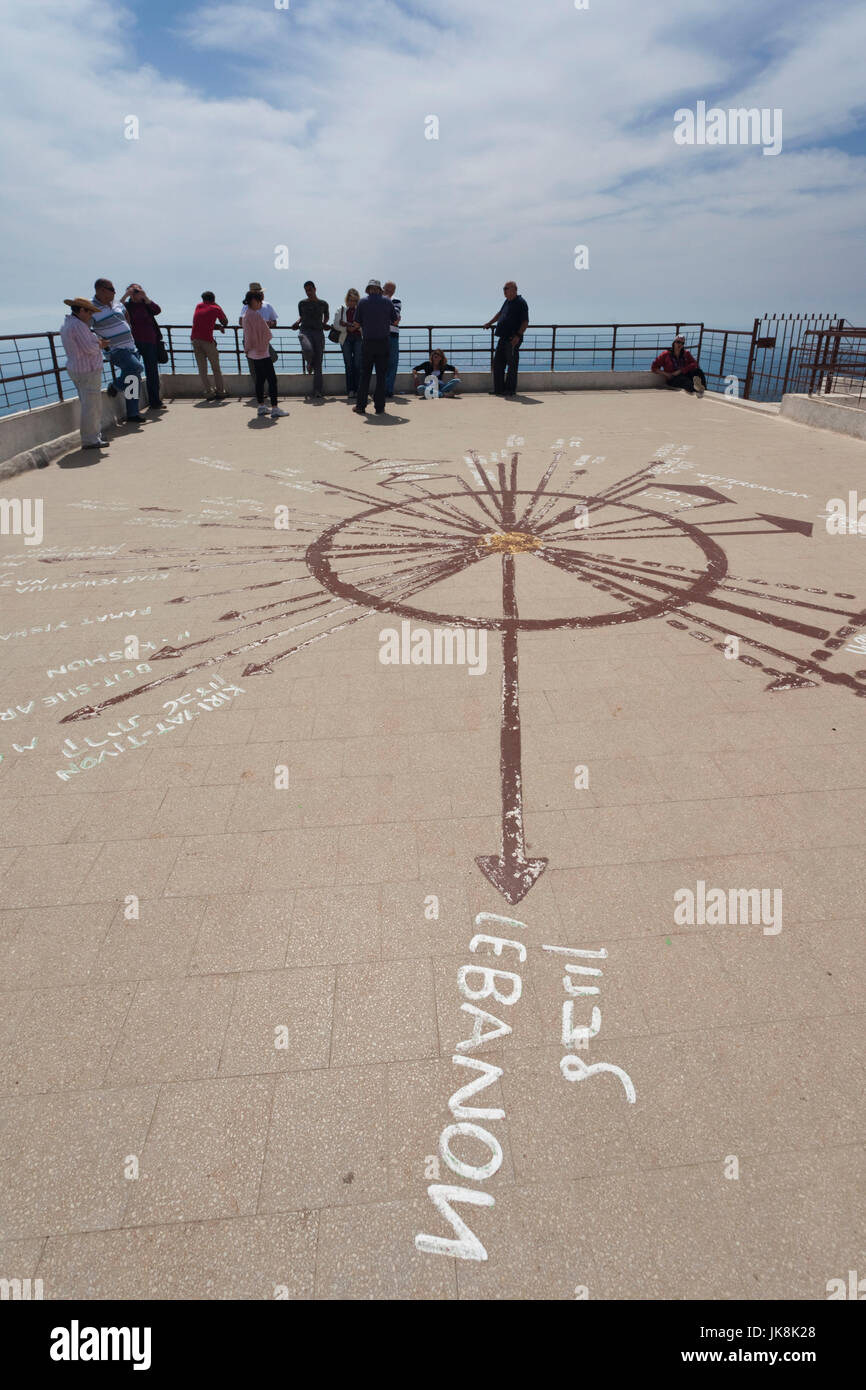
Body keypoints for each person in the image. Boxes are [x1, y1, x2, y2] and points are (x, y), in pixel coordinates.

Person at [91, 278, 145, 423]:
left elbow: (125, 315)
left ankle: (133, 413)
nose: (115, 292)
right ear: (101, 290)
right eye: (112, 289)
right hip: (116, 349)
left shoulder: (117, 304)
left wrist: (128, 328)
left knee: (133, 379)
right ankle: (116, 385)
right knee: (136, 367)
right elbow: (86, 328)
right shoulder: (91, 308)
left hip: (131, 346)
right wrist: (98, 341)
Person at [60, 297, 109, 450]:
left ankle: (94, 435)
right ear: (81, 310)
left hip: (78, 369)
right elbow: (89, 348)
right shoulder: (79, 326)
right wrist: (100, 344)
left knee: (89, 404)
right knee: (92, 406)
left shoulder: (68, 324)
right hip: (87, 370)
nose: (91, 315)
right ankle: (90, 439)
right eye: (89, 312)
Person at [354, 279, 398, 415]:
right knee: (381, 376)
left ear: (368, 289)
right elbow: (395, 321)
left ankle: (361, 406)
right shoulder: (387, 302)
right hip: (383, 343)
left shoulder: (362, 302)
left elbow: (356, 323)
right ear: (380, 289)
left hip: (367, 343)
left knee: (365, 375)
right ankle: (379, 407)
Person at [242, 290, 286, 419]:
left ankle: (261, 406)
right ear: (254, 301)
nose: (261, 304)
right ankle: (275, 408)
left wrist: (247, 349)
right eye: (260, 301)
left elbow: (248, 336)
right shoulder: (255, 315)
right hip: (262, 352)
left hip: (253, 353)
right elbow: (267, 334)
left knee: (260, 380)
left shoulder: (246, 315)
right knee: (272, 380)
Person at [122, 283, 166, 410]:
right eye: (133, 291)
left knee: (152, 372)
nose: (136, 293)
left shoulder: (146, 305)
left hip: (150, 342)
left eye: (138, 290)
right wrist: (126, 295)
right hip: (132, 343)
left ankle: (155, 401)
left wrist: (145, 297)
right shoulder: (127, 305)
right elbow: (116, 310)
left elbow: (157, 310)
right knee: (132, 373)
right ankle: (132, 408)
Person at [483, 281, 529, 397]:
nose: (504, 291)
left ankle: (510, 390)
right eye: (504, 288)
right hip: (503, 338)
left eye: (506, 288)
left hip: (512, 338)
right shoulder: (507, 302)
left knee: (512, 365)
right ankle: (499, 389)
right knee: (498, 363)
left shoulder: (521, 303)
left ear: (514, 289)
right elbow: (500, 314)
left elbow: (525, 321)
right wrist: (489, 323)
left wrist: (518, 336)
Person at [292, 281, 329, 398]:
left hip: (318, 332)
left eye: (310, 290)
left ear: (315, 289)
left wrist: (324, 323)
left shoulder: (323, 303)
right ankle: (309, 363)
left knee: (318, 363)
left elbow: (326, 315)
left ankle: (317, 391)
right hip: (305, 331)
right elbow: (301, 316)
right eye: (306, 290)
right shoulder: (301, 303)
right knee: (307, 349)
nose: (308, 292)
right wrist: (297, 323)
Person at [239, 283, 277, 395]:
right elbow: (241, 322)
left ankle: (263, 393)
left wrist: (267, 324)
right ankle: (261, 394)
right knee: (254, 368)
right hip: (251, 339)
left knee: (272, 358)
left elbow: (274, 321)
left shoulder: (267, 305)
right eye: (259, 292)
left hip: (263, 339)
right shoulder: (246, 307)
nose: (261, 294)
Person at [191, 292, 229, 399]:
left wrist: (216, 326)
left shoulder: (198, 306)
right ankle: (221, 392)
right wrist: (218, 307)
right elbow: (225, 322)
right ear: (214, 299)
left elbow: (202, 322)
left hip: (195, 339)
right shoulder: (215, 308)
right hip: (207, 340)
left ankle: (208, 392)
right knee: (215, 367)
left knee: (202, 369)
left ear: (203, 299)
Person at [333, 289, 362, 399]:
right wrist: (347, 329)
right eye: (350, 300)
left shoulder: (361, 310)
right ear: (347, 300)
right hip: (345, 339)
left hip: (359, 338)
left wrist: (357, 327)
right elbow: (336, 324)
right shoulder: (341, 310)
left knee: (358, 365)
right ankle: (350, 390)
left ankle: (358, 389)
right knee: (349, 365)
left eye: (354, 300)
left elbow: (365, 324)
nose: (352, 303)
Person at [383, 280, 401, 398]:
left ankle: (388, 389)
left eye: (391, 290)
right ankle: (382, 388)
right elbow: (394, 319)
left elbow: (396, 316)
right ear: (383, 288)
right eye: (387, 289)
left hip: (393, 335)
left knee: (393, 363)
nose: (389, 292)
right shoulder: (377, 301)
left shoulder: (396, 301)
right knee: (381, 362)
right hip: (381, 334)